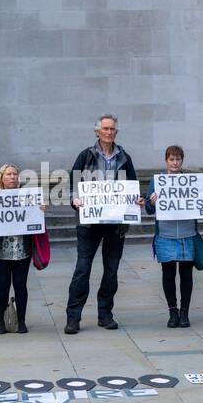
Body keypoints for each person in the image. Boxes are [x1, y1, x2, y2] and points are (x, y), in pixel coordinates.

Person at [65, 113, 144, 334]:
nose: (109, 132)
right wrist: (75, 199)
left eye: (112, 129)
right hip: (89, 223)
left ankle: (105, 314)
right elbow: (73, 183)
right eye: (105, 129)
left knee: (111, 271)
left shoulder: (124, 157)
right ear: (97, 131)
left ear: (115, 132)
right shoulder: (86, 156)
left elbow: (133, 185)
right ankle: (73, 317)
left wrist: (136, 199)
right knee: (83, 269)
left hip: (115, 224)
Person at [145, 146, 203, 328]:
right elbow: (149, 209)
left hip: (187, 233)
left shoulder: (193, 180)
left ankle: (185, 312)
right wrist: (151, 201)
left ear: (182, 161)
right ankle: (172, 311)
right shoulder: (157, 181)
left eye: (178, 159)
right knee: (168, 274)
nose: (175, 163)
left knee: (186, 274)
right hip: (165, 234)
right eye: (171, 159)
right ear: (166, 161)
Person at [0, 163, 46, 335]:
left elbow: (35, 222)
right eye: (8, 174)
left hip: (22, 248)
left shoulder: (27, 196)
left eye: (15, 174)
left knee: (20, 285)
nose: (12, 177)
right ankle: (2, 321)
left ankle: (21, 321)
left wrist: (40, 211)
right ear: (1, 178)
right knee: (3, 285)